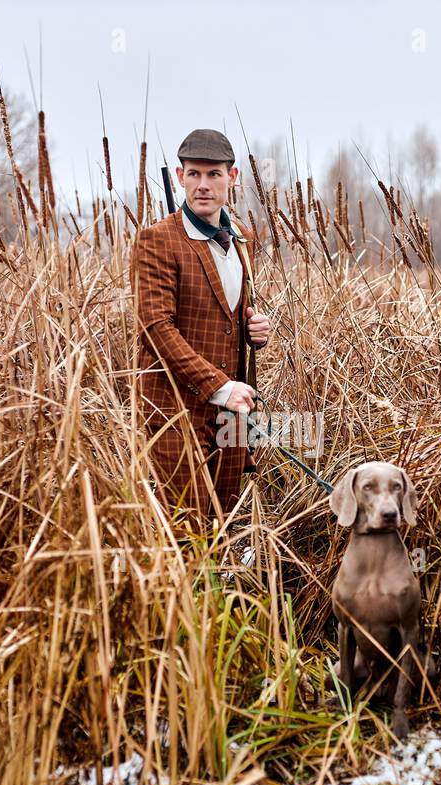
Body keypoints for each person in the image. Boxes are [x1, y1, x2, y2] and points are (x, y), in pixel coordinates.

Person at [131, 128, 273, 533]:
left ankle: (222, 592)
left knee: (224, 524)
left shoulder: (241, 239)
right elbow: (155, 328)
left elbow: (227, 316)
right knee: (184, 531)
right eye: (193, 174)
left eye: (213, 175)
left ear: (234, 178)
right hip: (175, 410)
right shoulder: (157, 241)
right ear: (179, 176)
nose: (203, 185)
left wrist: (254, 331)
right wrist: (219, 386)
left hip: (230, 414)